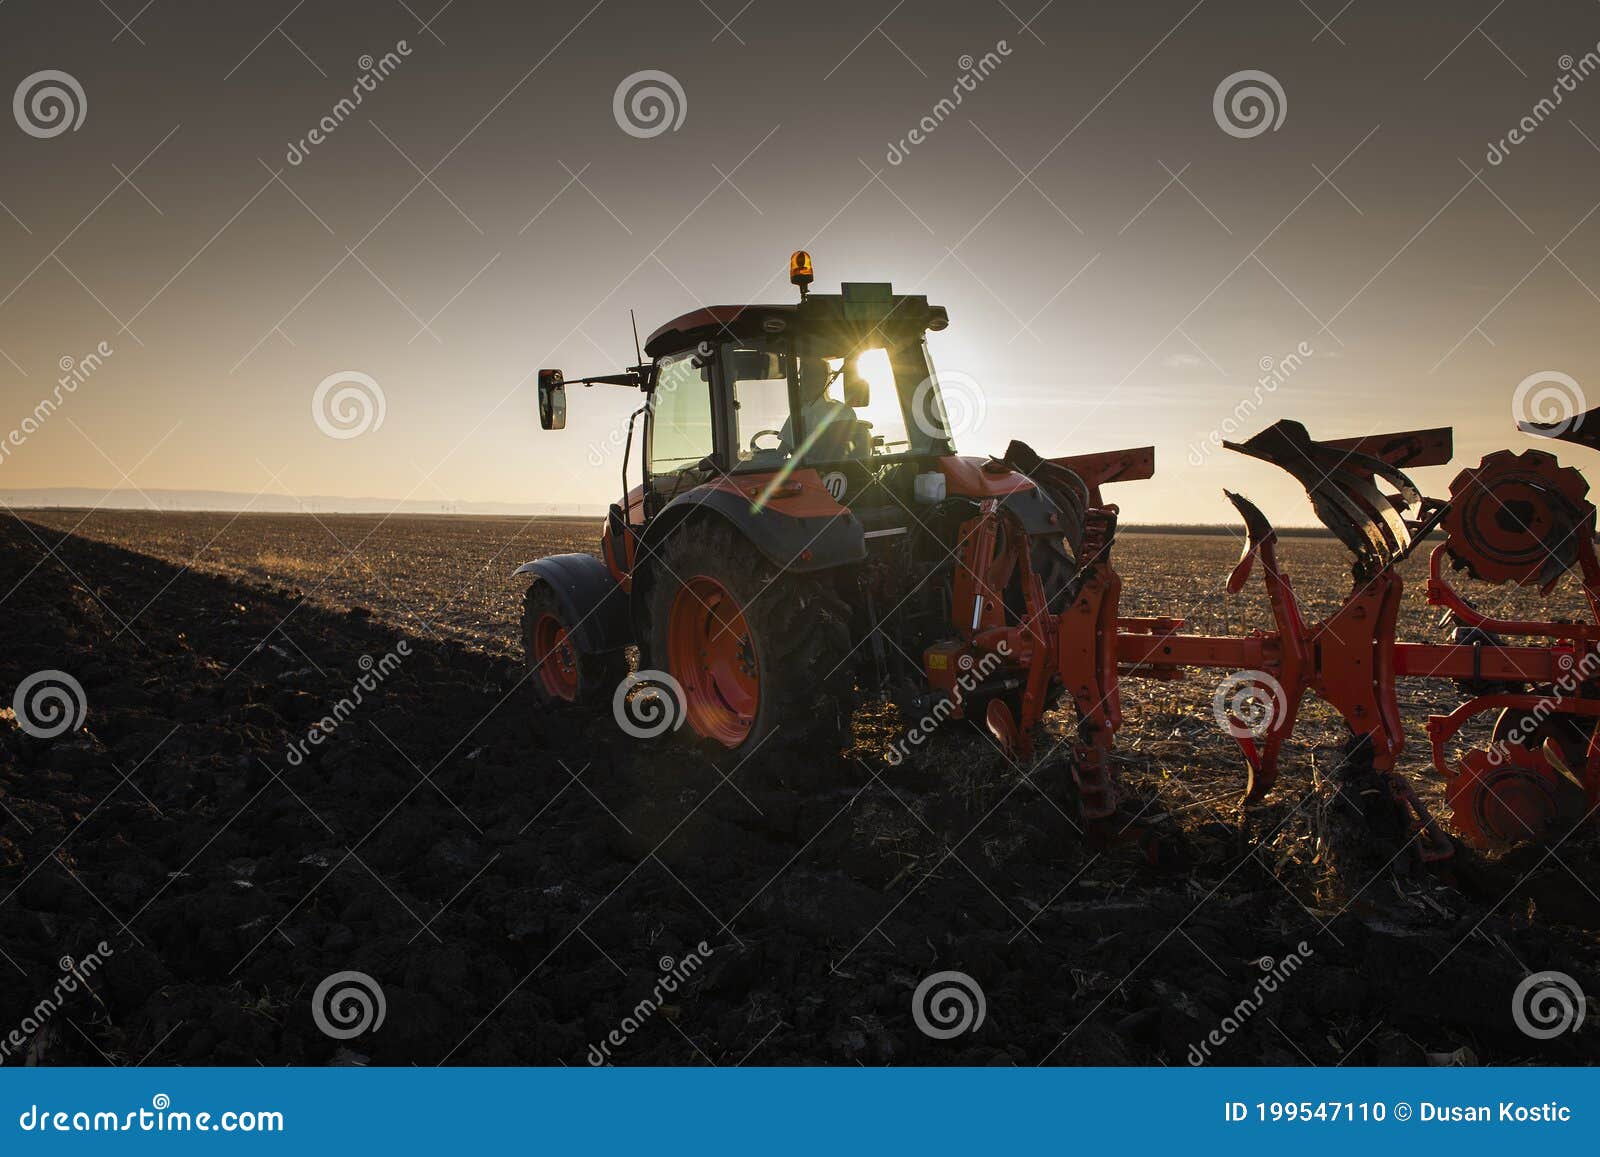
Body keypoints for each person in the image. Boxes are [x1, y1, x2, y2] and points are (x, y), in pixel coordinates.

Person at [781, 356, 859, 461]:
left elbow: (781, 454)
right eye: (802, 379)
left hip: (812, 474)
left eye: (806, 378)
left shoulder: (801, 414)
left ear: (823, 380)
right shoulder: (845, 410)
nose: (801, 383)